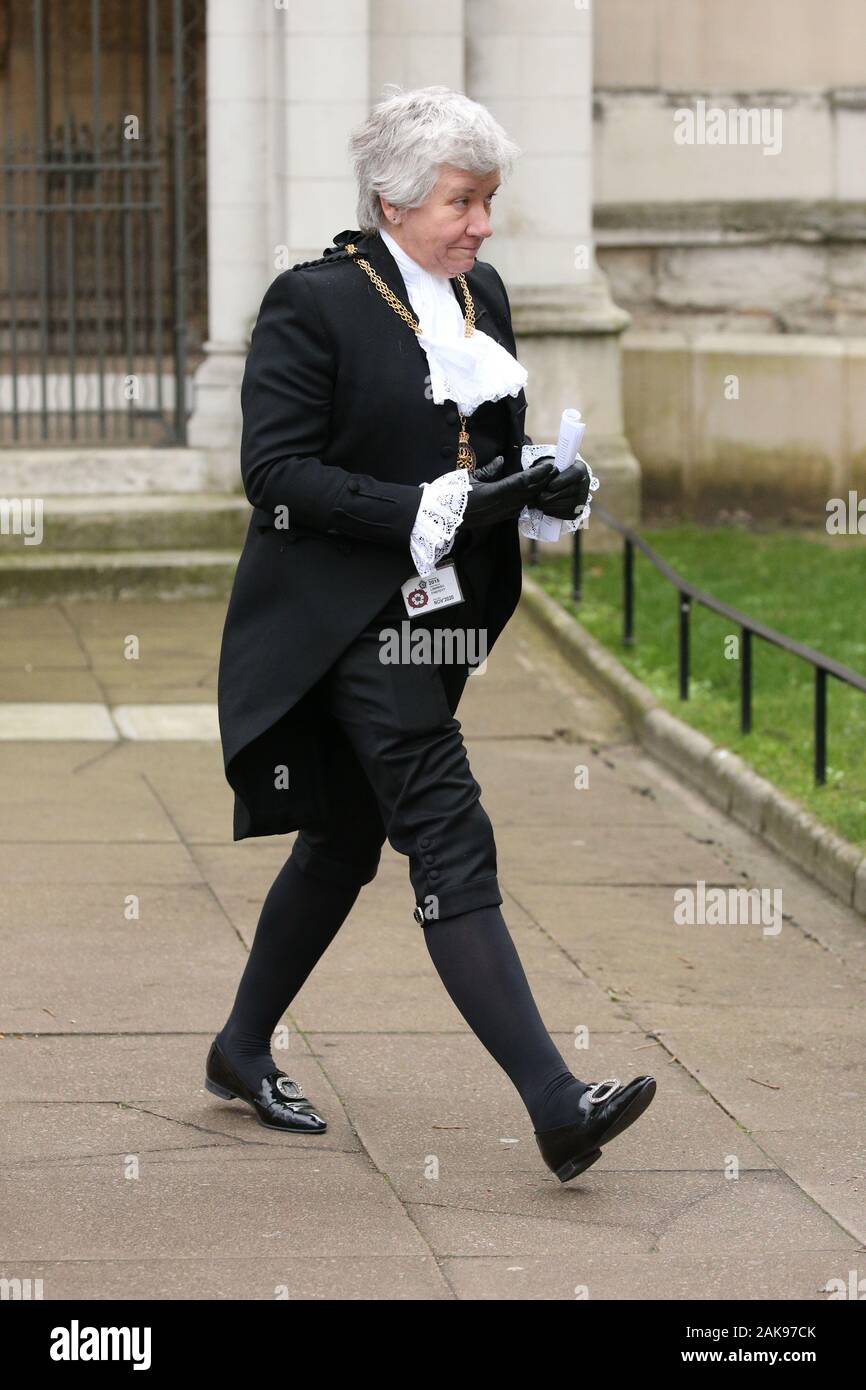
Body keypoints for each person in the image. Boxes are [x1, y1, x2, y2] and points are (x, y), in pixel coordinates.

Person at [208, 85, 655, 1182]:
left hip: (441, 618)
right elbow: (272, 475)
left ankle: (237, 1045)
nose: (481, 224)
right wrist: (408, 508)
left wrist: (544, 485)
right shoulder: (310, 302)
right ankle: (555, 1104)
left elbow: (483, 449)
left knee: (344, 840)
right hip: (341, 621)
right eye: (462, 201)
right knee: (446, 829)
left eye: (487, 200)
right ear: (392, 201)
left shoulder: (477, 292)